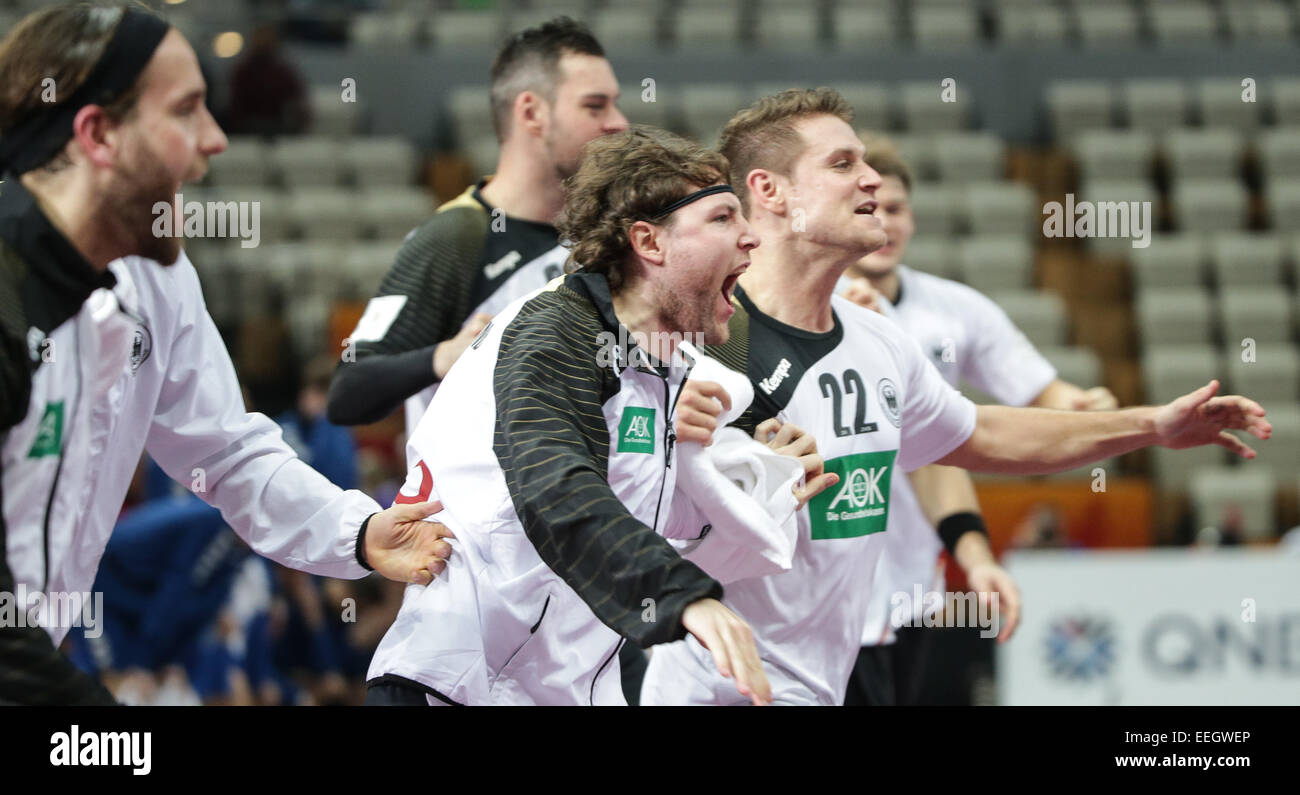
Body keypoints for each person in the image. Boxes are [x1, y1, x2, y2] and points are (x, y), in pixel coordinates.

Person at [639, 88, 1271, 706]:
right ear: (769, 192)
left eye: (865, 162)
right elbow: (608, 515)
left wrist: (1153, 426)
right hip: (711, 686)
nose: (871, 182)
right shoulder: (694, 343)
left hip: (827, 675)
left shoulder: (880, 342)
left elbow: (984, 435)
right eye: (842, 164)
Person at [0, 3, 449, 706]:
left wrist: (357, 531)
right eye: (186, 111)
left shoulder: (157, 279)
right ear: (97, 134)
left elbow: (226, 451)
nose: (215, 140)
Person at [364, 126, 833, 706]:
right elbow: (555, 489)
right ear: (649, 242)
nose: (751, 237)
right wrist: (682, 596)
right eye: (722, 218)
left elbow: (654, 517)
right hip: (458, 687)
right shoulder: (551, 331)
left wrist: (764, 477)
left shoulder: (667, 365)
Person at [837, 134, 1118, 705]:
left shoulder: (955, 309)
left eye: (896, 209)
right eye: (869, 209)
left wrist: (1090, 411)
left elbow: (1038, 392)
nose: (884, 223)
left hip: (916, 572)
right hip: (824, 581)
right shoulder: (795, 311)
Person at [327, 16, 628, 435]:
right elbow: (348, 391)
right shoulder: (456, 236)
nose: (618, 122)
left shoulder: (612, 233)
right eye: (595, 106)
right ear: (532, 112)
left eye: (614, 103)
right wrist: (444, 356)